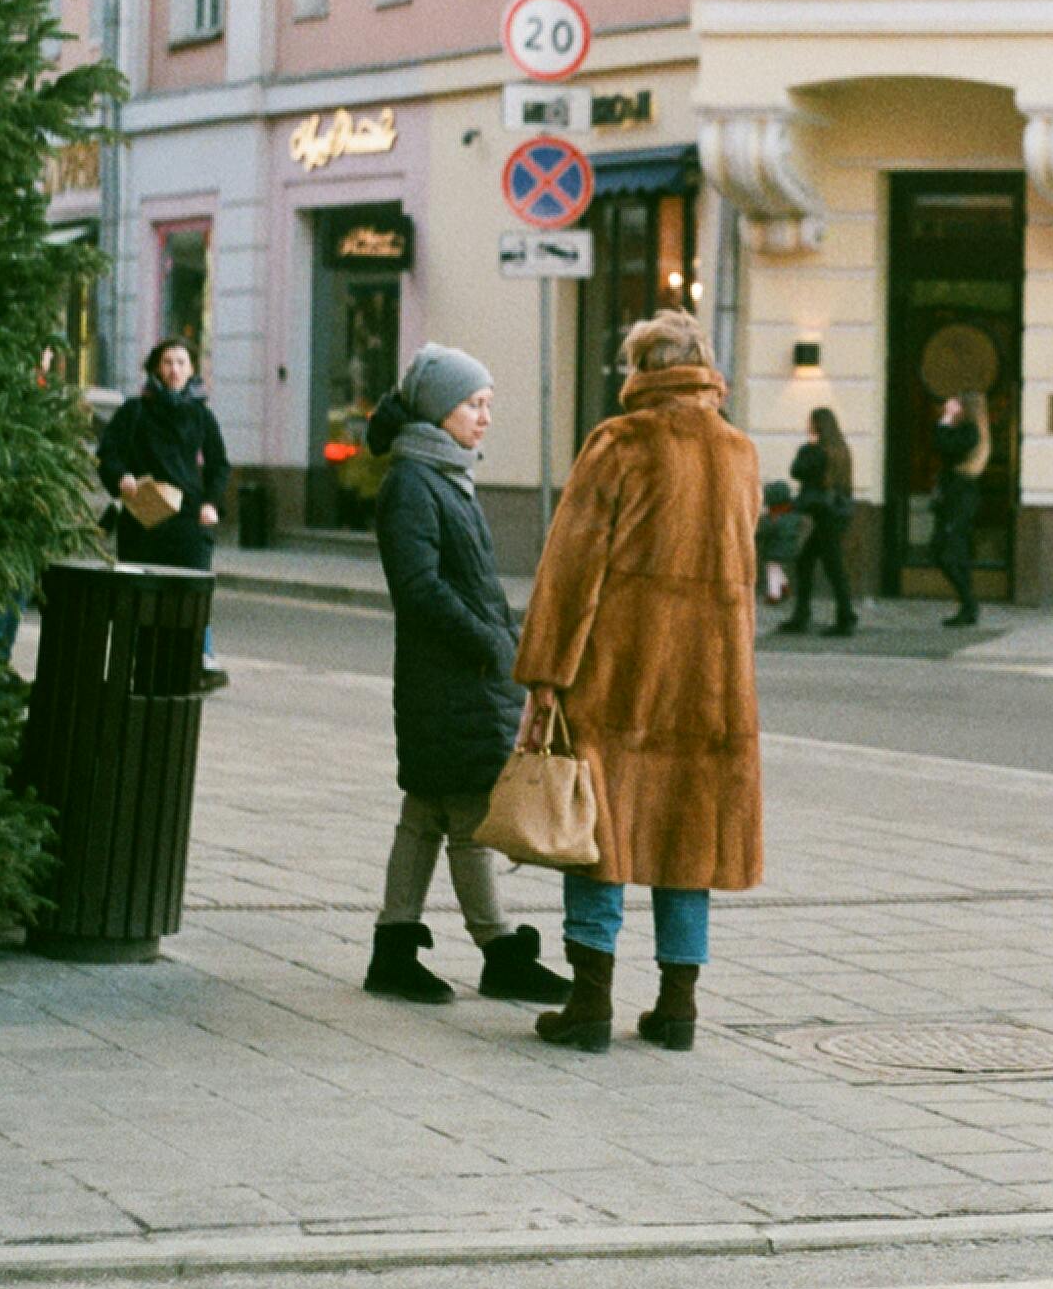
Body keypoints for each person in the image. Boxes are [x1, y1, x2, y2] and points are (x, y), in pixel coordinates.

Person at [513, 309, 765, 1053]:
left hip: (621, 675)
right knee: (691, 837)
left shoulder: (619, 443)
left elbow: (570, 568)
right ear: (704, 365)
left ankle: (589, 1002)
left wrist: (545, 675)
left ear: (640, 368)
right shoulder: (740, 453)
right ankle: (677, 1009)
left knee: (601, 831)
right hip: (712, 681)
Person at [361, 345, 568, 1008]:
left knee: (425, 809)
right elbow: (418, 588)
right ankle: (498, 949)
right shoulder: (414, 482)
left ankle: (393, 947)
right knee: (470, 810)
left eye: (487, 405)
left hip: (455, 675)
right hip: (449, 676)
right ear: (437, 407)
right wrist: (492, 645)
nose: (484, 417)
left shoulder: (442, 472)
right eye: (473, 404)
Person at [98, 338, 233, 690]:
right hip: (145, 520)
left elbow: (220, 465)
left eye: (182, 363)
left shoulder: (201, 415)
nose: (174, 370)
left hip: (189, 522)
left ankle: (192, 669)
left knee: (189, 598)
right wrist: (120, 478)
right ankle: (139, 671)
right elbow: (108, 454)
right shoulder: (136, 410)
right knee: (142, 601)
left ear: (191, 370)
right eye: (168, 362)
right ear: (156, 368)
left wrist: (210, 504)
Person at [781, 406, 857, 637]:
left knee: (831, 567)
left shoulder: (817, 451)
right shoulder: (841, 449)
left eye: (810, 421)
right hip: (836, 514)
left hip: (825, 515)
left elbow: (797, 471)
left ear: (818, 425)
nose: (808, 425)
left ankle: (844, 617)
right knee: (810, 563)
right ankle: (806, 615)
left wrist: (807, 448)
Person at [930, 391, 990, 630]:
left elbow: (942, 444)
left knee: (945, 552)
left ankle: (969, 604)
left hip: (958, 500)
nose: (951, 406)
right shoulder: (970, 431)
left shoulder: (970, 432)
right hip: (955, 499)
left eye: (957, 404)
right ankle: (967, 606)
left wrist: (945, 418)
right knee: (952, 552)